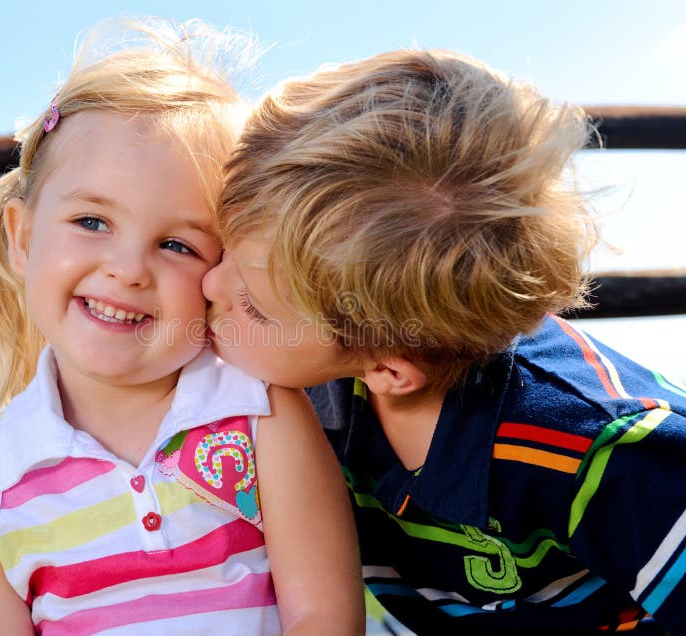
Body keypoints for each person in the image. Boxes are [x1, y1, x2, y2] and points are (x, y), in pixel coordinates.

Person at [202, 47, 686, 634]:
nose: (209, 282)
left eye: (254, 304)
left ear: (391, 369)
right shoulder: (314, 382)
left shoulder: (595, 449)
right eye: (223, 248)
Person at [0, 18, 364, 635]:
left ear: (224, 272)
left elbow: (325, 617)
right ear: (24, 238)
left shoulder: (260, 415)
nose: (128, 270)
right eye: (91, 222)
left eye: (176, 244)